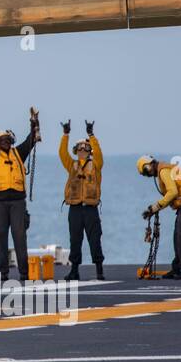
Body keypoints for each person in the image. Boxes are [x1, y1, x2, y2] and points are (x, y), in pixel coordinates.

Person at [0, 107, 40, 281]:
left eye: (8, 139)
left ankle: (24, 273)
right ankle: (3, 273)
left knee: (20, 236)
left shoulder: (18, 153)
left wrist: (33, 122)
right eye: (2, 139)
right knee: (1, 235)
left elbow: (31, 139)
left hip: (18, 202)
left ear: (12, 140)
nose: (6, 142)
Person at [137, 156, 181, 280]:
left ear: (148, 166)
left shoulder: (163, 171)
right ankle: (177, 268)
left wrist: (156, 206)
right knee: (177, 235)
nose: (148, 176)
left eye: (146, 173)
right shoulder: (164, 170)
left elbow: (172, 192)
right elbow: (173, 194)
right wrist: (155, 209)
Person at [59, 119, 105, 281]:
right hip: (75, 208)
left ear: (89, 150)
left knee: (95, 239)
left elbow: (99, 153)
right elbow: (62, 154)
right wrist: (66, 134)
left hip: (90, 208)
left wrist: (91, 134)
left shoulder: (96, 165)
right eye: (79, 148)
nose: (82, 150)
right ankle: (74, 271)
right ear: (75, 150)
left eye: (85, 148)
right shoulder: (71, 165)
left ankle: (99, 270)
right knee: (75, 240)